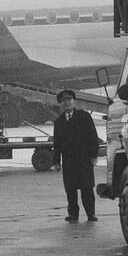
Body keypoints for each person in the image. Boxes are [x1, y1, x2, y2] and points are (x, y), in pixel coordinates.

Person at [52, 88, 101, 221]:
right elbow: (57, 143)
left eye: (69, 100)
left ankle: (91, 214)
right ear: (61, 104)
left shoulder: (84, 117)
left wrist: (94, 156)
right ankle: (73, 214)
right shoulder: (59, 122)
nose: (66, 103)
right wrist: (56, 161)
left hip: (84, 159)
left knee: (87, 189)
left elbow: (93, 137)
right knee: (70, 189)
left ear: (73, 102)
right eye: (64, 101)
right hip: (68, 161)